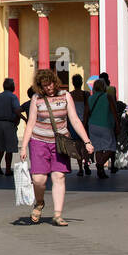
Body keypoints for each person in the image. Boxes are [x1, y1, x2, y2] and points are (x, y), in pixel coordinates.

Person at [21, 68, 92, 227]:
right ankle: (39, 203)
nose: (48, 87)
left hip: (60, 143)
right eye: (45, 85)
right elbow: (31, 122)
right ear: (40, 86)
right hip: (39, 141)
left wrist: (87, 141)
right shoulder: (36, 98)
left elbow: (74, 119)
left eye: (50, 83)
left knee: (59, 177)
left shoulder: (65, 96)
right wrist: (23, 146)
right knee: (38, 179)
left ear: (55, 81)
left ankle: (58, 215)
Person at [85, 78, 120, 180]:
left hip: (92, 125)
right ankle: (100, 165)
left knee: (98, 148)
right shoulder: (108, 96)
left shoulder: (90, 98)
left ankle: (101, 171)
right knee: (111, 147)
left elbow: (86, 113)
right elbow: (114, 111)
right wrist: (117, 124)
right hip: (105, 125)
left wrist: (84, 126)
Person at [68, 74, 91, 176]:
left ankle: (80, 168)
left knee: (77, 146)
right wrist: (85, 122)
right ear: (81, 83)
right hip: (84, 122)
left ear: (73, 83)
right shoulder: (86, 94)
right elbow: (87, 109)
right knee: (85, 144)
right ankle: (86, 162)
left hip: (73, 124)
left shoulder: (70, 95)